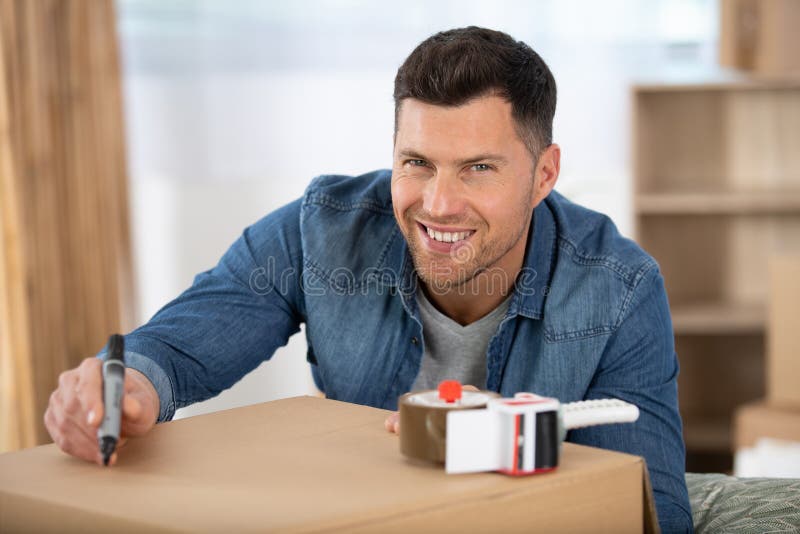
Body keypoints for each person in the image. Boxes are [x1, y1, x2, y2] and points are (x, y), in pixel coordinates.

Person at [45, 26, 692, 532]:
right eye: (417, 162)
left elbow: (648, 511)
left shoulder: (619, 288)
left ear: (544, 174)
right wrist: (126, 386)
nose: (438, 204)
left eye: (478, 169)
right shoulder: (320, 231)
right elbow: (180, 348)